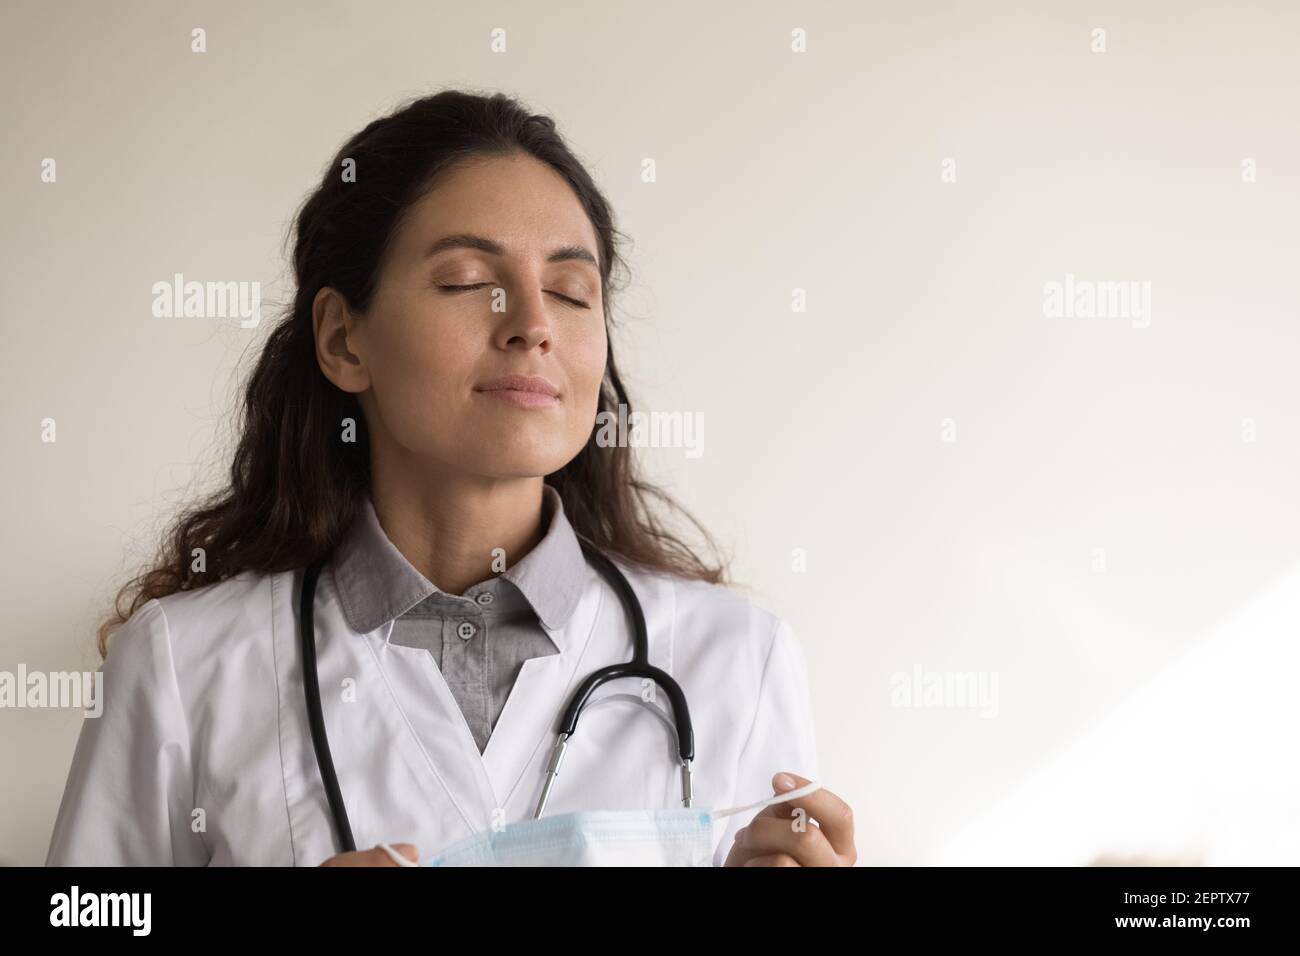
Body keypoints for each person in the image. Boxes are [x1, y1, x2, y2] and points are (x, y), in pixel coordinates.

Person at [45, 90, 856, 867]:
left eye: (572, 292)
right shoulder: (185, 664)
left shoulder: (736, 662)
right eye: (470, 281)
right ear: (343, 340)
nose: (533, 324)